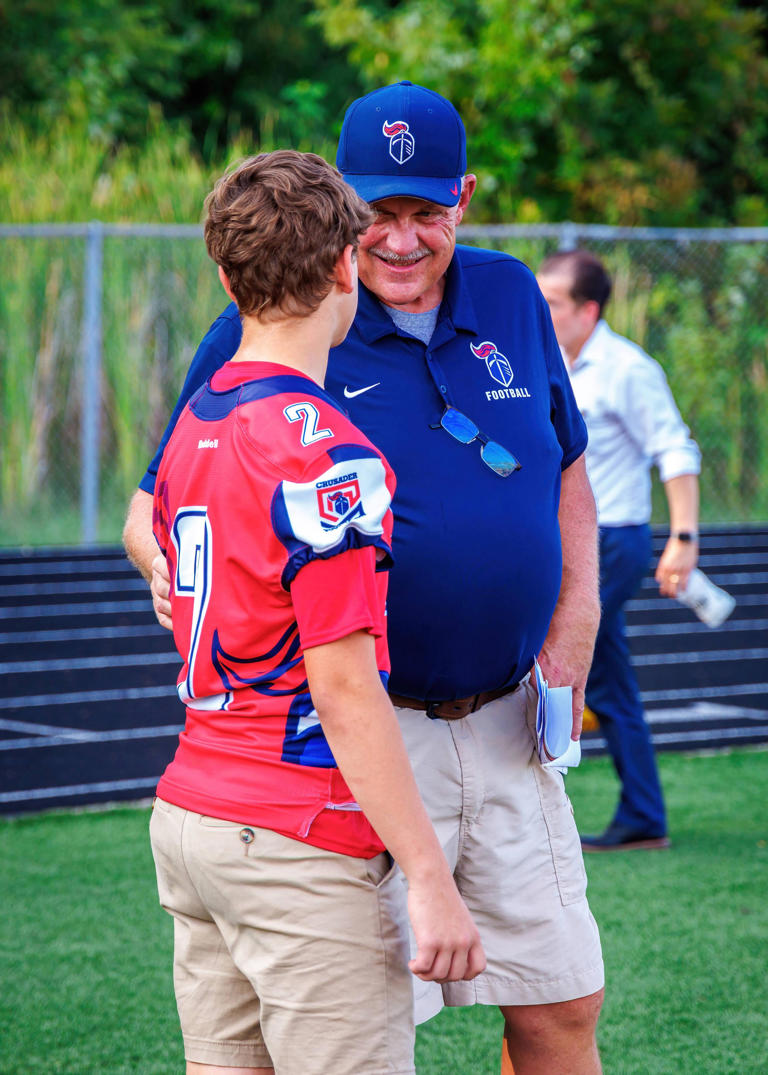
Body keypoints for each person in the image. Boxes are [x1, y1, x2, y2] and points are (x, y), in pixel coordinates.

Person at [125, 82, 605, 1075]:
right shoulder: (287, 322)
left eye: (427, 212)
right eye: (377, 213)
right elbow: (157, 500)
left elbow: (564, 465)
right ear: (341, 220)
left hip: (507, 720)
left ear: (464, 198)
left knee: (560, 999)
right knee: (356, 1029)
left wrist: (576, 617)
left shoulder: (513, 294)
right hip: (358, 741)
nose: (400, 238)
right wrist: (170, 565)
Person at [149, 149, 485, 1075]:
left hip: (192, 811)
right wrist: (427, 873)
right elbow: (341, 687)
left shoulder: (198, 418)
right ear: (347, 265)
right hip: (293, 823)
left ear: (226, 275)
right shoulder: (330, 456)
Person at [537, 248, 702, 852]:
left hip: (615, 543)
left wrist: (684, 539)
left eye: (552, 302)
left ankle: (629, 814)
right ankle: (642, 813)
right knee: (609, 680)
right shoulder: (541, 359)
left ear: (589, 309)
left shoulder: (629, 369)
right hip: (568, 540)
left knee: (588, 674)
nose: (541, 310)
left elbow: (676, 450)